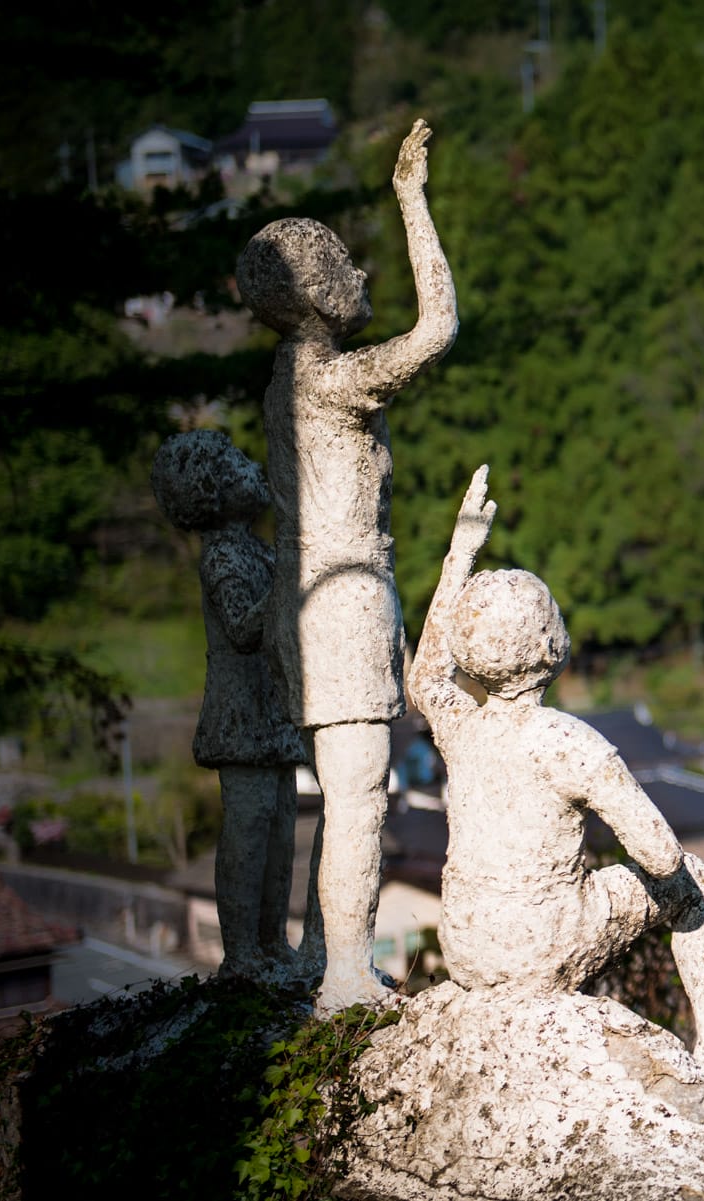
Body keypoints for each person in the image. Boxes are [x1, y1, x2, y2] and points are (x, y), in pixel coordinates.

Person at [410, 468, 704, 1077]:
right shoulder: (568, 741)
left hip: (466, 947)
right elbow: (658, 853)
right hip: (543, 945)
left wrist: (458, 556)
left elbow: (426, 678)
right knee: (694, 882)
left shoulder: (460, 727)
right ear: (552, 644)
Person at [235, 119, 457, 1014]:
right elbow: (435, 328)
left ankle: (333, 955)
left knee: (346, 791)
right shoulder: (324, 378)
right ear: (313, 288)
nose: (361, 276)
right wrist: (412, 203)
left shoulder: (286, 379)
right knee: (360, 793)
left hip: (321, 594)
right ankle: (343, 975)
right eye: (345, 264)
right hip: (341, 596)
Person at [151, 430, 318, 983]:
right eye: (239, 464)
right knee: (249, 827)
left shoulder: (254, 550)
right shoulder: (223, 556)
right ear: (213, 490)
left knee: (280, 830)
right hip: (241, 712)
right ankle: (243, 951)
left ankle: (272, 941)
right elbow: (245, 629)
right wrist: (290, 583)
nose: (254, 469)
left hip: (268, 710)